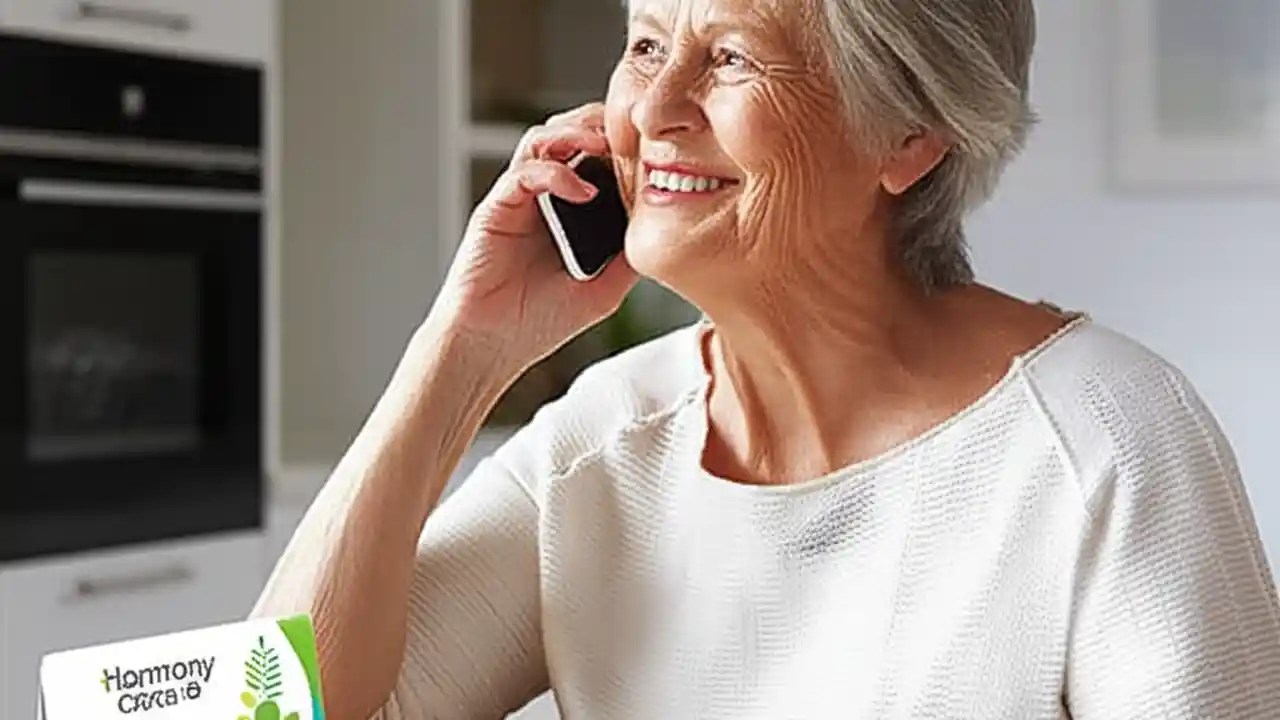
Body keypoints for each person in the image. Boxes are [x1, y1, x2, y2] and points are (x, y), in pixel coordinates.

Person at [253, 0, 1280, 717]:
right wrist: (465, 352)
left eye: (731, 57)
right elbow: (274, 706)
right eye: (647, 46)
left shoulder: (1106, 439)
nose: (653, 113)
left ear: (909, 134)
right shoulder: (601, 445)